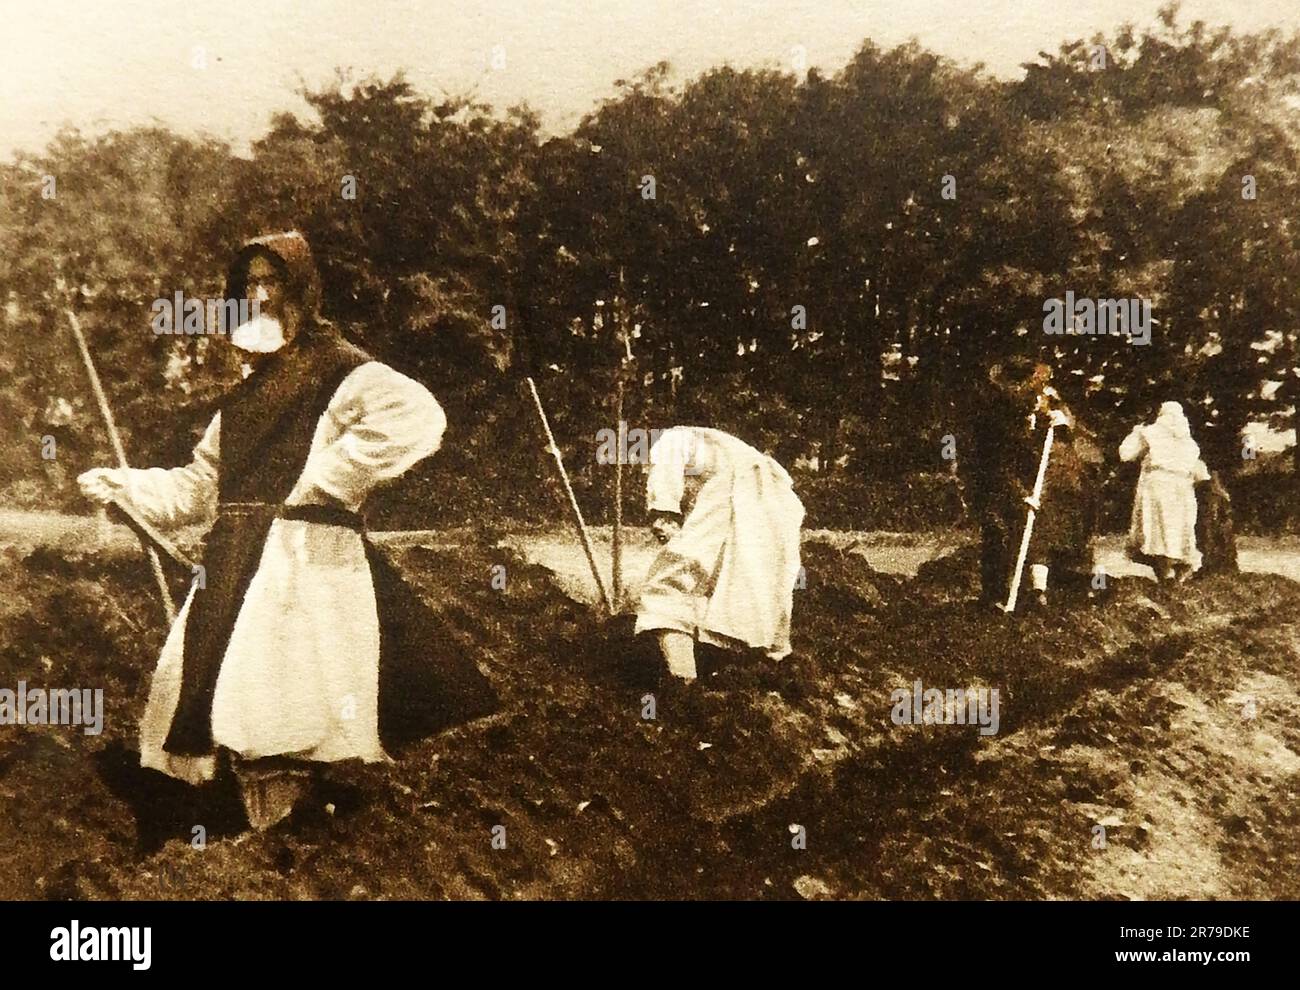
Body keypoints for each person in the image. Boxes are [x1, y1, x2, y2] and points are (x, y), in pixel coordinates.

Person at [78, 231, 495, 830]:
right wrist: (125, 487)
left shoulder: (342, 369)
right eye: (249, 284)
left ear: (302, 290)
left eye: (273, 281)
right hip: (231, 566)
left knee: (284, 713)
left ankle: (294, 847)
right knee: (224, 711)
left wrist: (317, 482)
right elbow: (199, 488)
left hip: (306, 563)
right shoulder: (241, 402)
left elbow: (417, 416)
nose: (260, 295)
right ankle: (251, 846)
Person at [633, 426, 804, 683]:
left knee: (670, 586)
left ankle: (684, 681)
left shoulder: (671, 437)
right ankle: (773, 671)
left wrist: (663, 513)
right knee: (754, 592)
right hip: (780, 503)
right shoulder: (721, 444)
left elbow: (665, 475)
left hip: (738, 489)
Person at [965, 357, 1097, 609]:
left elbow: (1077, 438)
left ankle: (1040, 592)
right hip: (1000, 484)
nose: (1035, 393)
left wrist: (1063, 421)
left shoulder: (1043, 401)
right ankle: (996, 596)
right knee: (999, 533)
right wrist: (1020, 494)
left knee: (1050, 532)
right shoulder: (997, 412)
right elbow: (998, 461)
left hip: (1048, 482)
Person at [1119, 400, 1210, 581]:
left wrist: (1136, 432)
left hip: (1158, 485)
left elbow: (1125, 454)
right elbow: (1201, 474)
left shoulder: (1151, 433)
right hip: (1183, 488)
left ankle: (1166, 572)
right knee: (1178, 528)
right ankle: (1176, 571)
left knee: (1158, 528)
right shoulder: (1189, 443)